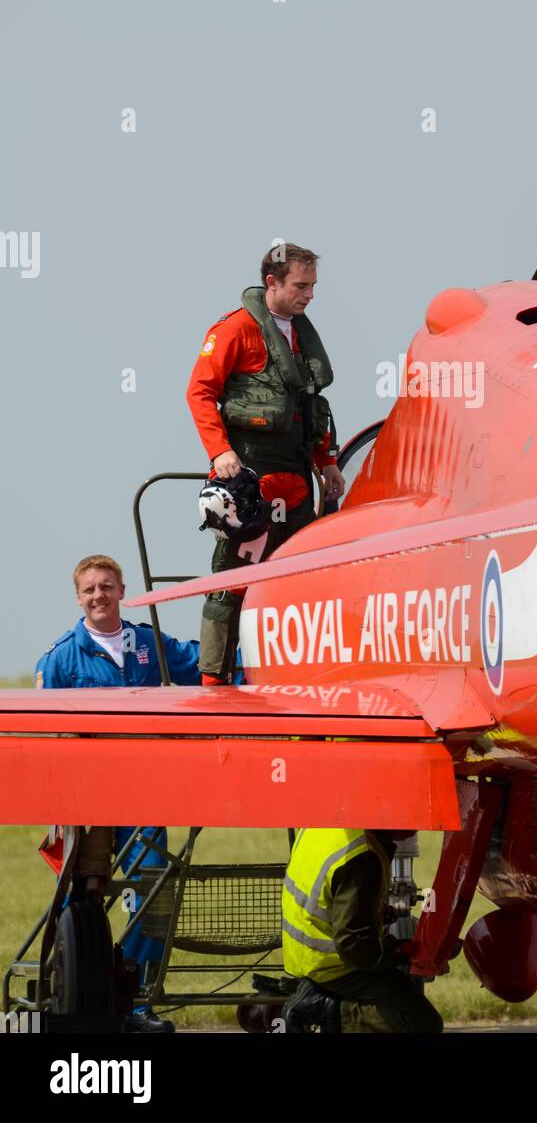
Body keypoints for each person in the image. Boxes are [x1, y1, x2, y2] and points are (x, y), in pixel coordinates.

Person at [36, 554, 202, 1035]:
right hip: (86, 801)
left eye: (106, 587)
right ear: (78, 597)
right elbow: (51, 739)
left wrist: (253, 666)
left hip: (144, 793)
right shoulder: (61, 657)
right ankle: (70, 996)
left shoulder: (149, 643)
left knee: (154, 888)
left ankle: (131, 1000)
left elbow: (200, 666)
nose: (99, 596)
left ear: (122, 591)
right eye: (89, 589)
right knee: (81, 899)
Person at [187, 242, 345, 684]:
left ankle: (298, 682)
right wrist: (220, 451)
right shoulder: (235, 330)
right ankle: (214, 687)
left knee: (302, 578)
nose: (310, 294)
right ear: (272, 282)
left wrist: (327, 461)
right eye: (301, 285)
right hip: (248, 479)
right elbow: (199, 393)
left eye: (313, 286)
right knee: (231, 581)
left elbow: (311, 406)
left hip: (296, 475)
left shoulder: (301, 335)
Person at [281, 827, 443, 1034]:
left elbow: (331, 898)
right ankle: (330, 1010)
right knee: (422, 1022)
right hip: (335, 965)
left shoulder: (320, 825)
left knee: (403, 989)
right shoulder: (361, 856)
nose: (416, 826)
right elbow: (354, 947)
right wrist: (402, 952)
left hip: (303, 955)